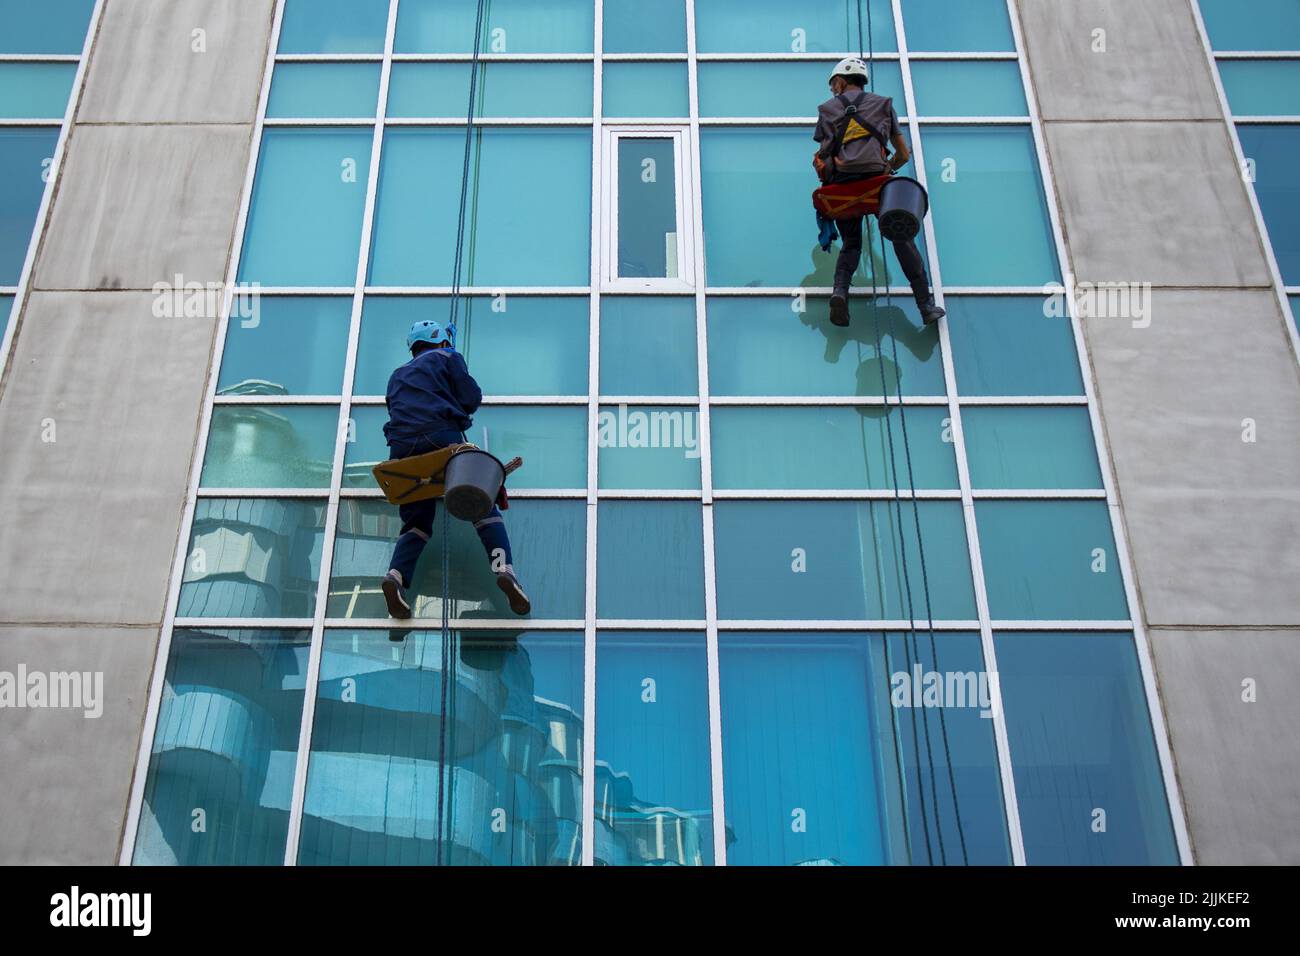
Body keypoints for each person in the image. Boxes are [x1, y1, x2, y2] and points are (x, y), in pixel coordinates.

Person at [379, 319, 531, 619]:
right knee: (482, 504)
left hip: (403, 453)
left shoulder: (397, 375)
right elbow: (471, 398)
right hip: (440, 437)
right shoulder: (448, 357)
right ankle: (505, 570)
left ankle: (395, 577)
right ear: (441, 340)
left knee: (416, 523)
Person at [814, 57, 945, 327]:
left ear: (840, 80)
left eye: (833, 85)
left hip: (843, 186)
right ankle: (926, 306)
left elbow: (824, 151)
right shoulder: (884, 104)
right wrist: (888, 166)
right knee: (901, 238)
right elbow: (904, 154)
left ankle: (840, 292)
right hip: (877, 182)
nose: (832, 91)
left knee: (851, 244)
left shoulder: (827, 109)